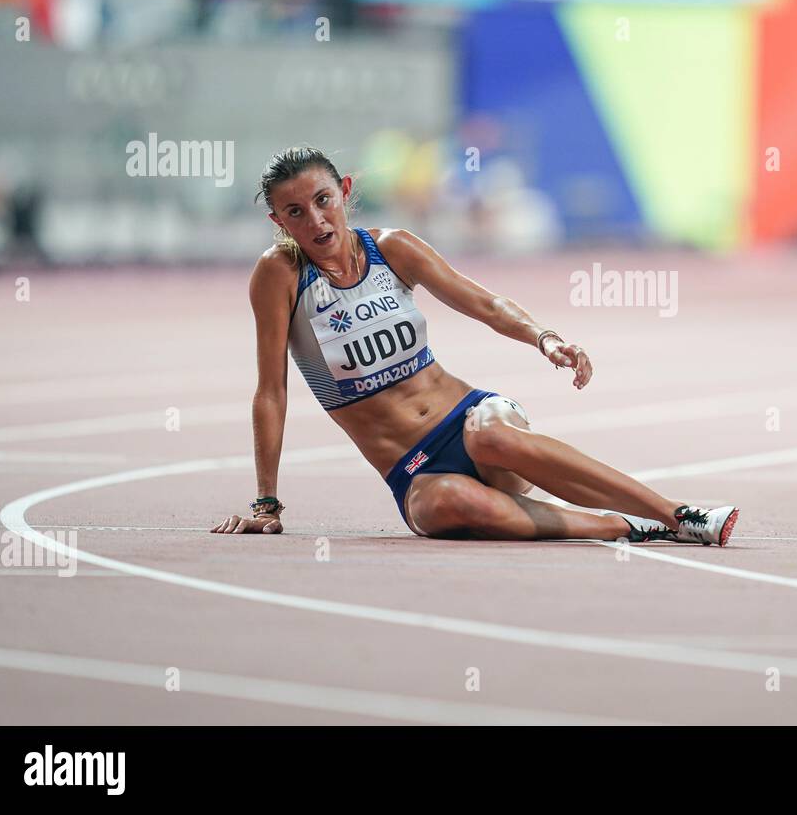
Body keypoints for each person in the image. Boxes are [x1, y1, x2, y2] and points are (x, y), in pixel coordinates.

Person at [211, 147, 738, 546]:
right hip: (413, 469)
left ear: (345, 190)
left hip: (470, 418)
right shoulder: (279, 275)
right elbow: (271, 393)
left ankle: (679, 515)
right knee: (447, 502)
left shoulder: (391, 248)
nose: (316, 219)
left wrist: (544, 338)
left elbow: (485, 304)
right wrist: (266, 502)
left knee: (491, 437)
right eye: (295, 212)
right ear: (277, 222)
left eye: (323, 200)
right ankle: (625, 525)